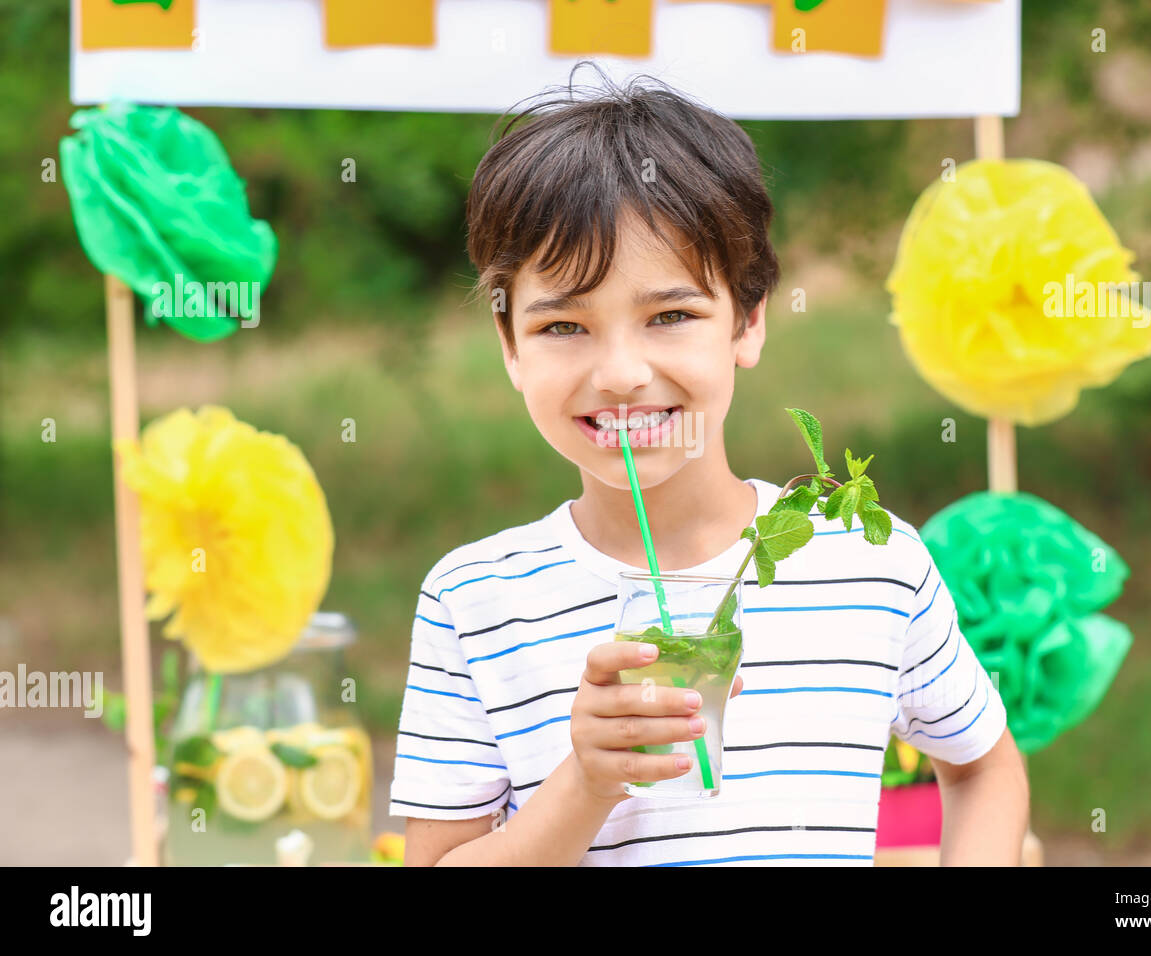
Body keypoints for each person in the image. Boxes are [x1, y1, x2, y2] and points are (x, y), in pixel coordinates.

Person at [392, 63, 1029, 866]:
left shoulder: (874, 565)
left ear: (749, 321)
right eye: (564, 327)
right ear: (510, 344)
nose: (621, 371)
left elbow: (983, 768)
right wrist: (585, 783)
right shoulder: (475, 602)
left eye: (671, 315)